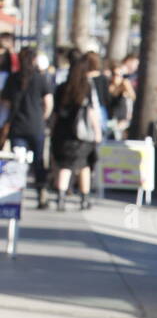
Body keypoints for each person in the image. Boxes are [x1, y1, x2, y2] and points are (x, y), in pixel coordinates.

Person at [0, 46, 54, 208]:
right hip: (36, 125)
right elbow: (48, 103)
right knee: (38, 161)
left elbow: (6, 103)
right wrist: (42, 118)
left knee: (18, 162)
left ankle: (17, 194)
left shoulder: (13, 79)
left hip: (17, 125)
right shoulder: (41, 78)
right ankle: (41, 192)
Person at [51, 51, 104, 211]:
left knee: (65, 165)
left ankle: (61, 197)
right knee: (84, 166)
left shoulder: (62, 88)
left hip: (62, 132)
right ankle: (84, 199)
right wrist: (97, 131)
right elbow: (92, 111)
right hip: (82, 133)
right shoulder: (87, 87)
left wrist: (52, 129)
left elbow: (55, 112)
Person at [104, 62, 135, 139]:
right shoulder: (107, 86)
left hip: (122, 122)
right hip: (109, 121)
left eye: (119, 75)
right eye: (114, 74)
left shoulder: (124, 86)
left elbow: (133, 98)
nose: (116, 77)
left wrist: (127, 87)